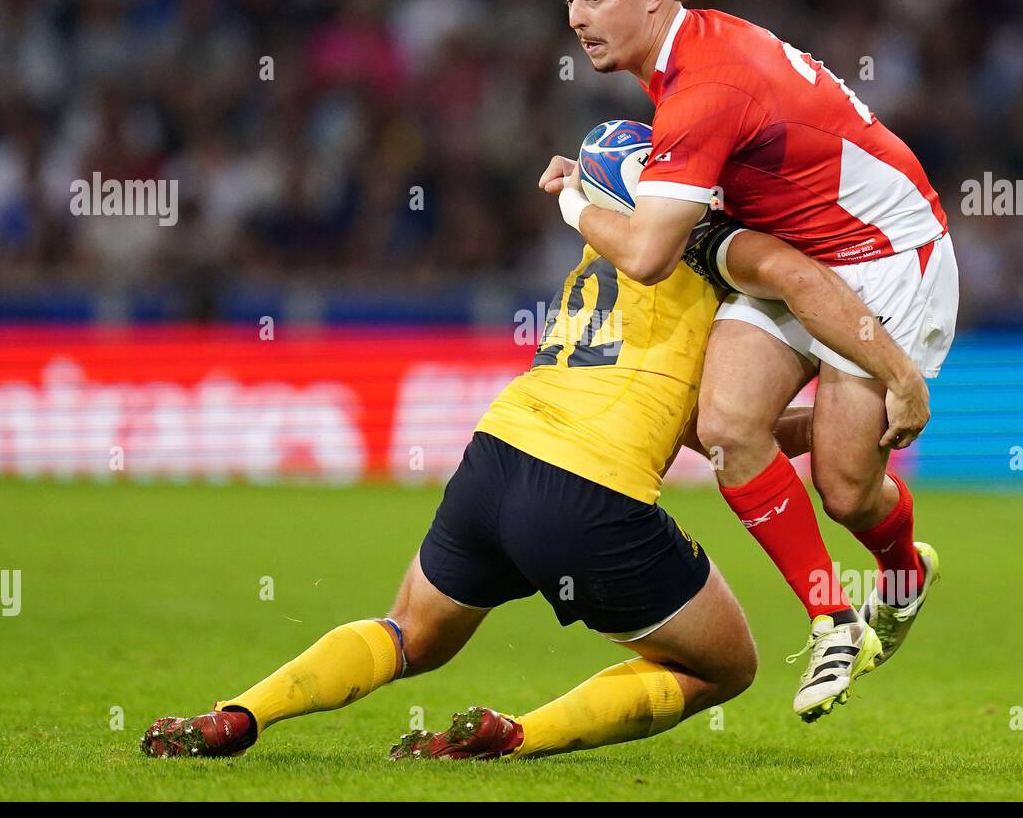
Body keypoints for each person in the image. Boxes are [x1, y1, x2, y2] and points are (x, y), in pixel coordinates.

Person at [141, 205, 923, 759]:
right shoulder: (715, 250)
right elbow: (757, 331)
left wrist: (817, 431)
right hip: (591, 491)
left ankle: (241, 713)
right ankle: (516, 737)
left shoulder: (608, 240)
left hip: (497, 456)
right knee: (726, 666)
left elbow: (701, 426)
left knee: (408, 633)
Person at [540, 0, 956, 719]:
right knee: (726, 427)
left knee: (846, 491)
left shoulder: (704, 84)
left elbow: (649, 254)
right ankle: (835, 618)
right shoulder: (689, 55)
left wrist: (574, 203)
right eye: (569, 1)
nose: (577, 19)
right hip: (794, 254)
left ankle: (904, 570)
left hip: (885, 254)